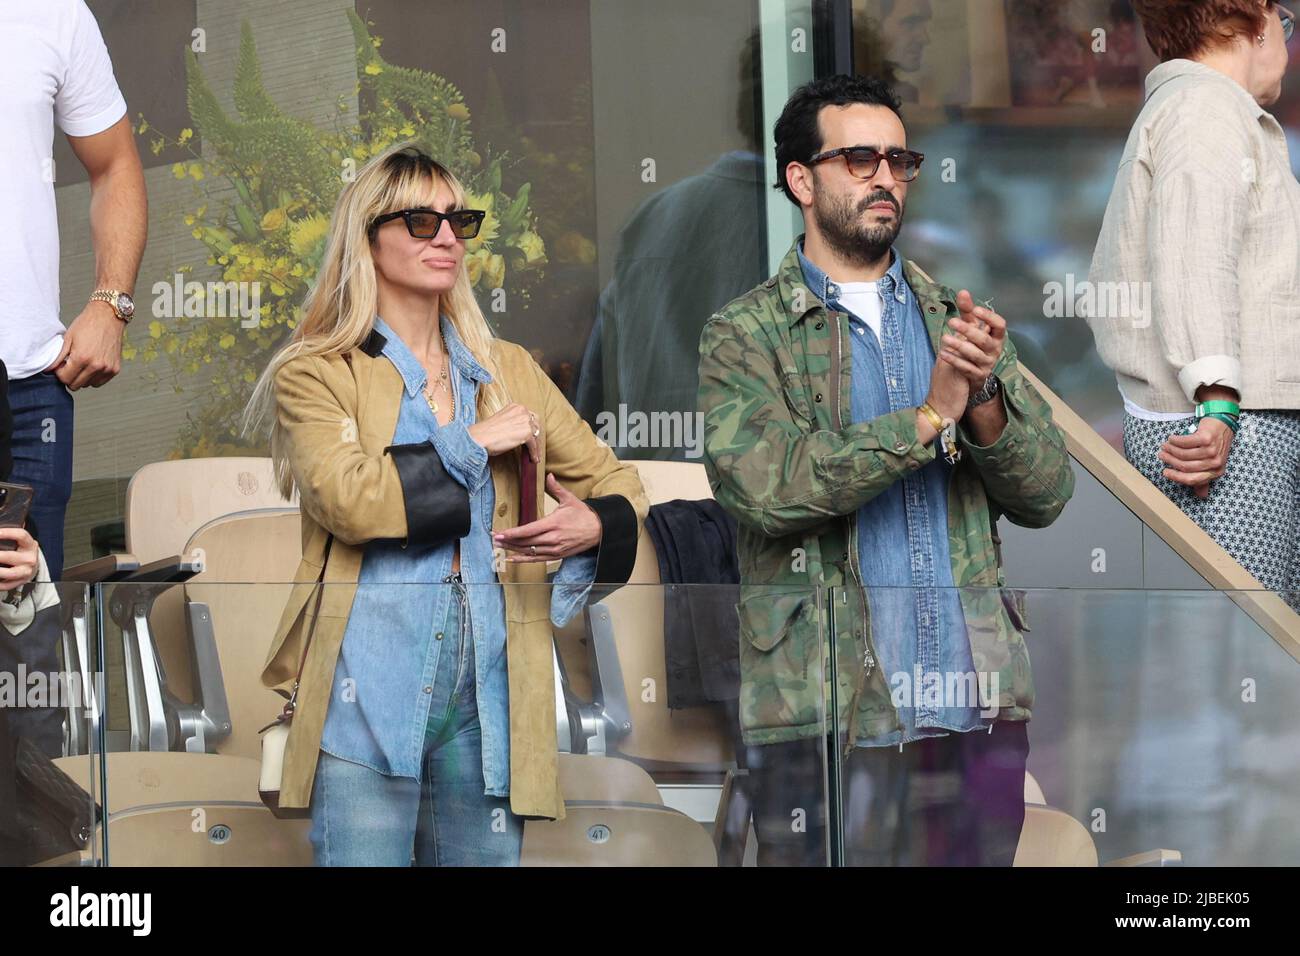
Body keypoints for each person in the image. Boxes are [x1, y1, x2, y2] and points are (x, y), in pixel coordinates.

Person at [697, 75, 1074, 865]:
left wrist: (982, 407)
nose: (885, 177)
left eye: (899, 160)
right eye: (859, 158)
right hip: (821, 719)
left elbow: (1045, 495)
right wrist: (927, 418)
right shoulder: (744, 333)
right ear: (801, 179)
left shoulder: (957, 319)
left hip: (973, 709)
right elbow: (767, 487)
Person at [244, 145, 647, 866]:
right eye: (421, 221)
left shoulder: (506, 369)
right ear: (369, 236)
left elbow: (617, 483)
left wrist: (593, 524)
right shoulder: (318, 371)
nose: (448, 238)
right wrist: (473, 442)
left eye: (458, 220)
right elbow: (350, 501)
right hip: (364, 696)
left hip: (489, 699)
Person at [1088, 1, 1300, 608]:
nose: (1285, 39)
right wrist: (1218, 400)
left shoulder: (1199, 109)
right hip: (1228, 432)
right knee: (1238, 648)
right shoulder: (1206, 107)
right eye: (1283, 22)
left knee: (1248, 651)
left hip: (1230, 425)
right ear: (1256, 20)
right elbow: (1195, 256)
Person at [0, 0, 147, 581]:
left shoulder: (51, 11)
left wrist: (111, 304)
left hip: (27, 386)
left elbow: (113, 165)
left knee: (25, 641)